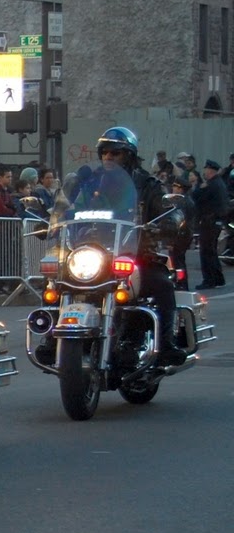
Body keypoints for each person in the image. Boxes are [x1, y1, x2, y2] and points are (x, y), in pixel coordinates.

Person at [96, 126, 186, 364]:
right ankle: (51, 338)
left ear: (129, 155)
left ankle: (166, 345)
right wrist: (51, 220)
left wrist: (168, 222)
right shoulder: (91, 183)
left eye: (114, 153)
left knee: (162, 285)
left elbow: (170, 212)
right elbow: (67, 209)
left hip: (135, 256)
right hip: (94, 255)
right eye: (104, 152)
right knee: (55, 282)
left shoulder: (147, 184)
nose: (108, 157)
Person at [193, 159, 228, 289]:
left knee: (206, 252)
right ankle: (218, 278)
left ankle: (209, 280)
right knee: (212, 251)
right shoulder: (219, 183)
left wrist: (198, 187)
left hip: (209, 222)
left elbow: (196, 197)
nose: (204, 172)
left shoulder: (210, 185)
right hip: (215, 221)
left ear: (210, 171)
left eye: (206, 170)